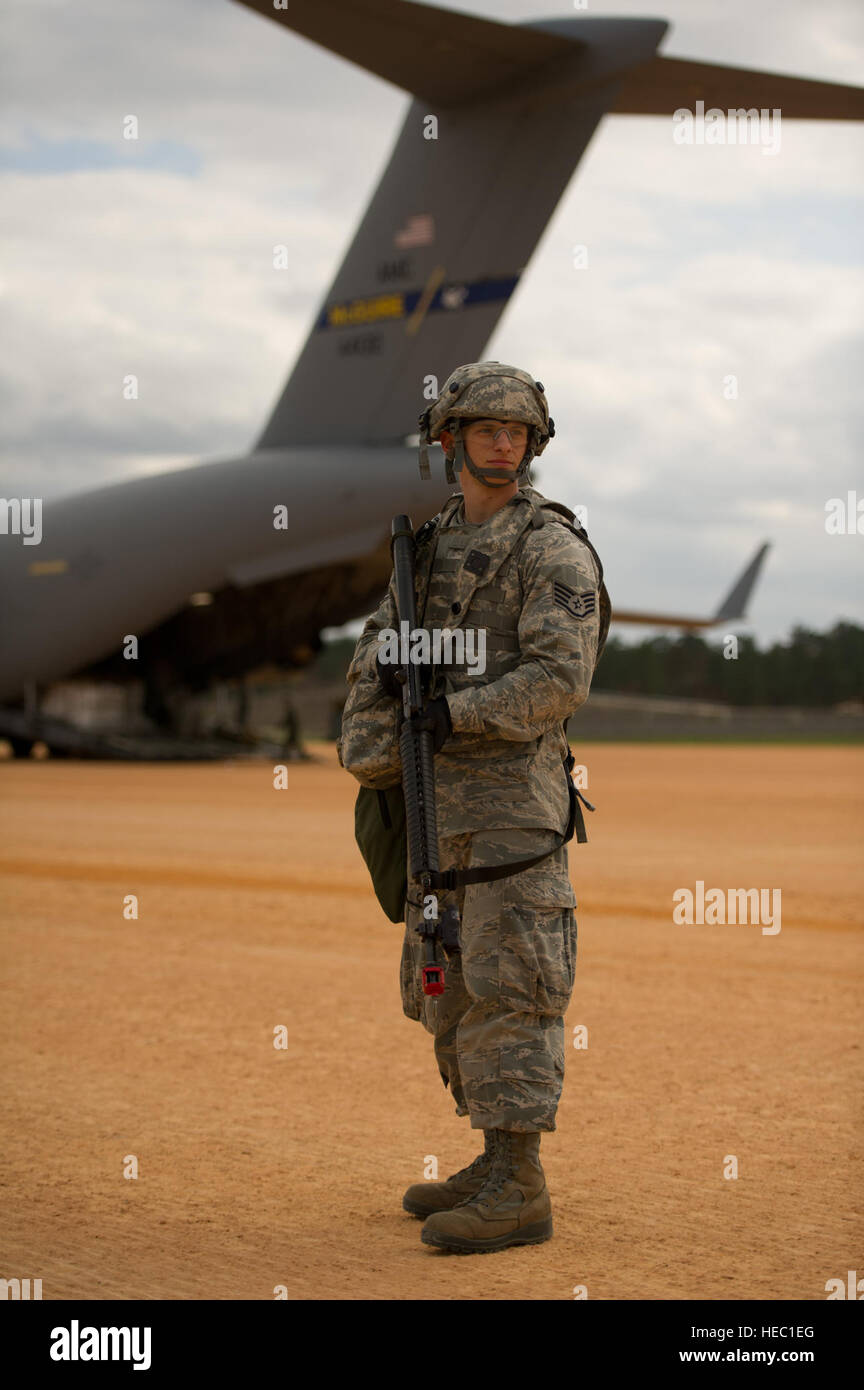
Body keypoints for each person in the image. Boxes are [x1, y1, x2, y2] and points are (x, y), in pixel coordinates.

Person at [338, 362, 608, 1253]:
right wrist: (376, 740)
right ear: (448, 440)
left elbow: (558, 679)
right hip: (432, 812)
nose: (503, 444)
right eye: (485, 429)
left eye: (517, 432)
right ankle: (493, 1159)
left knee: (512, 987)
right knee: (446, 988)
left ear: (534, 443)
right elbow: (380, 652)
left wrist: (455, 712)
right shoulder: (425, 550)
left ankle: (522, 1184)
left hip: (511, 820)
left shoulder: (552, 548)